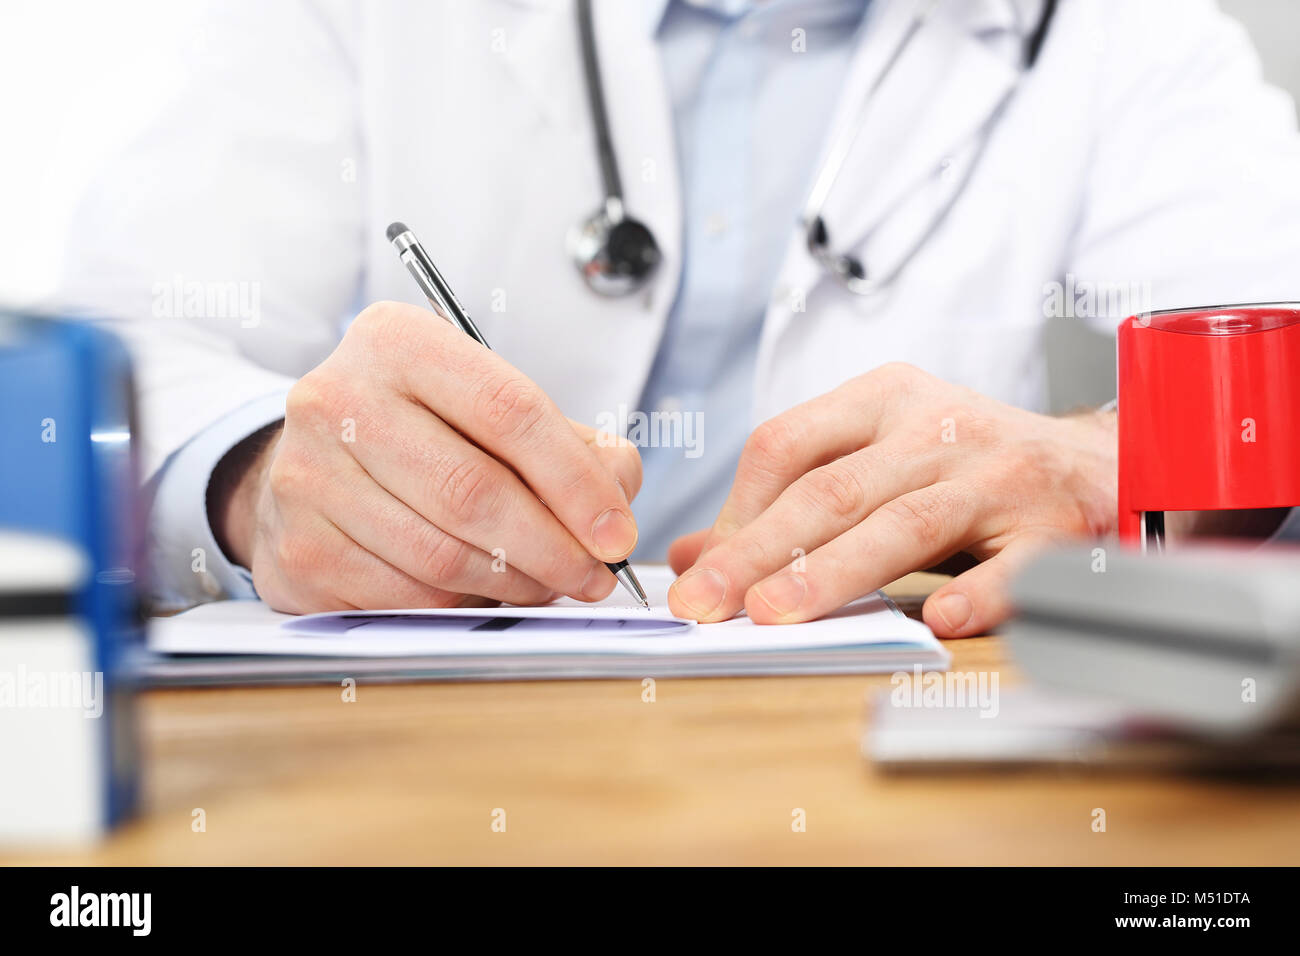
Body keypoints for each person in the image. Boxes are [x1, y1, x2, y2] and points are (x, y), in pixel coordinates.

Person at [56, 0, 1300, 636]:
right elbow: (99, 355)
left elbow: (1274, 327)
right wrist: (255, 478)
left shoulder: (1115, 30)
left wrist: (1105, 458)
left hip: (875, 749)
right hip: (401, 742)